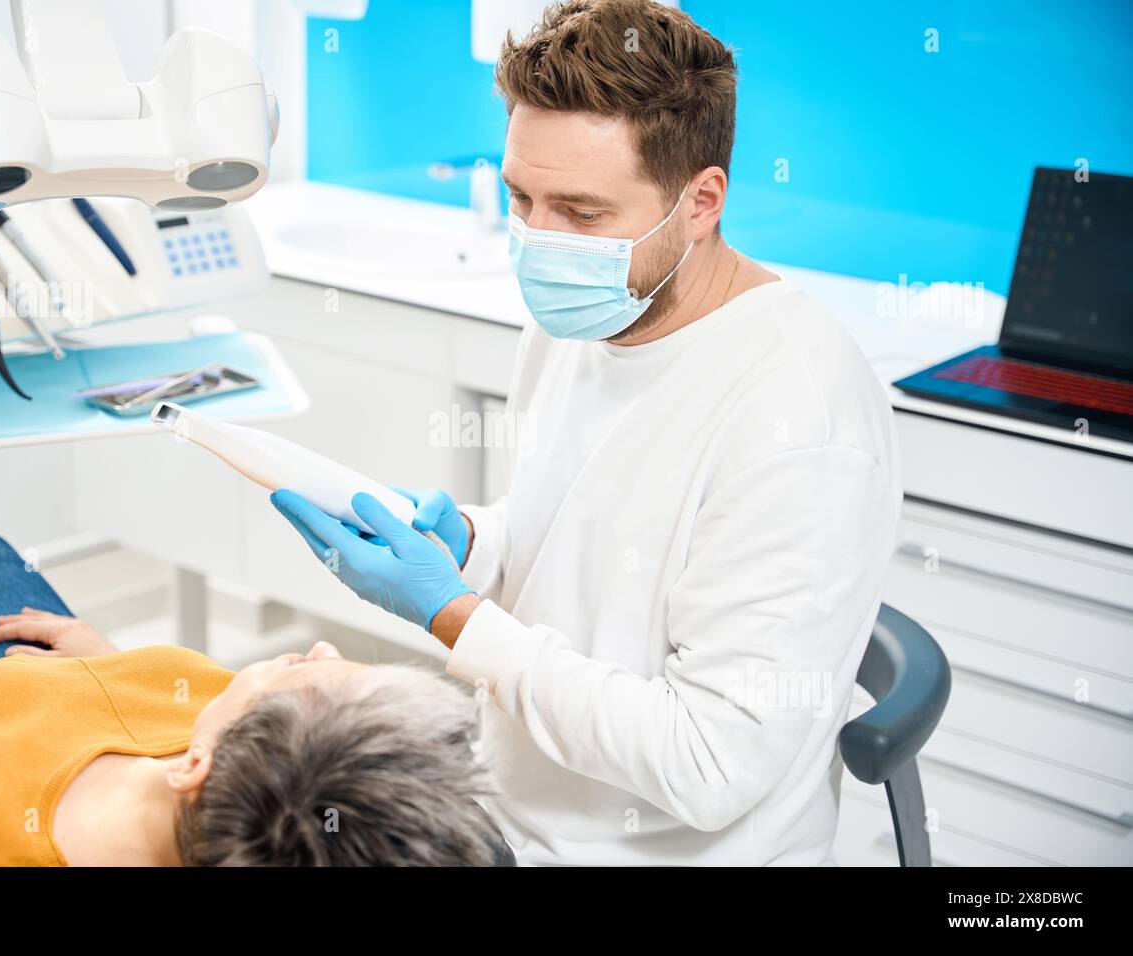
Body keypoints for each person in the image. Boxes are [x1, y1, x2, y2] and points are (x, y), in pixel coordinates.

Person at [269, 0, 902, 865]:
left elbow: (711, 764)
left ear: (701, 201)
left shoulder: (798, 415)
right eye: (519, 197)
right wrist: (468, 545)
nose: (539, 241)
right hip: (511, 816)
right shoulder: (586, 316)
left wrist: (456, 618)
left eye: (582, 212)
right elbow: (576, 544)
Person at [0, 533, 506, 866]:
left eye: (304, 672)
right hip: (35, 682)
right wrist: (116, 671)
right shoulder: (253, 786)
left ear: (193, 764)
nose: (324, 650)